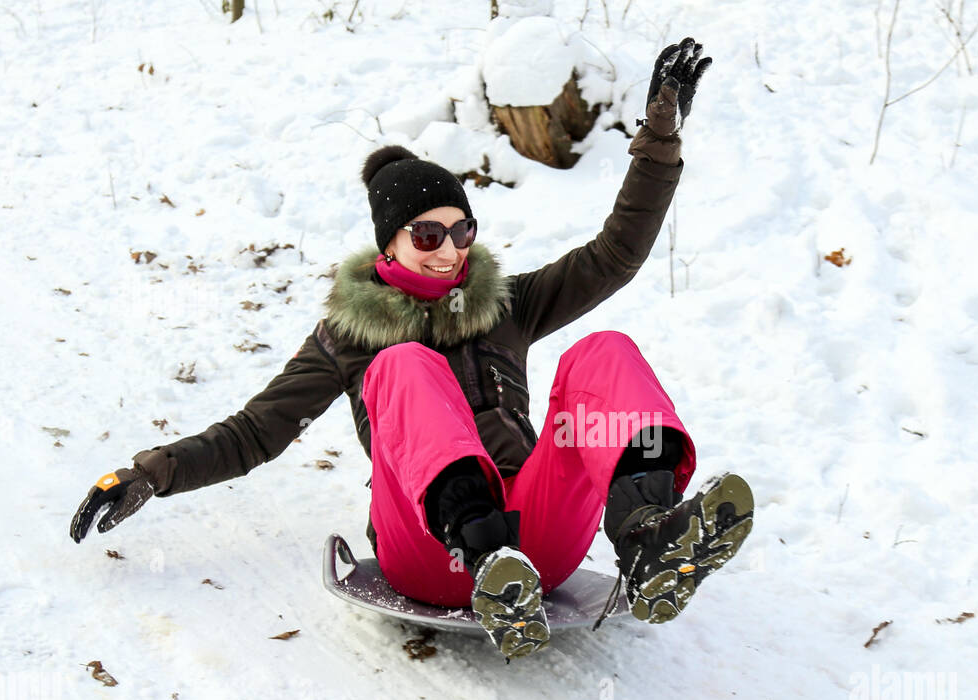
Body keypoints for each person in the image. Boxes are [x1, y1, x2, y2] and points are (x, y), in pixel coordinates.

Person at [70, 38, 753, 660]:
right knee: (403, 364)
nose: (448, 250)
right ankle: (483, 556)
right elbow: (254, 434)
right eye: (427, 235)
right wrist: (149, 474)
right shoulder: (348, 337)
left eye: (461, 233)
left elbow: (616, 255)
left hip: (538, 542)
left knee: (603, 352)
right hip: (429, 554)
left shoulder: (505, 305)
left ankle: (647, 535)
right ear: (389, 243)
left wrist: (659, 139)